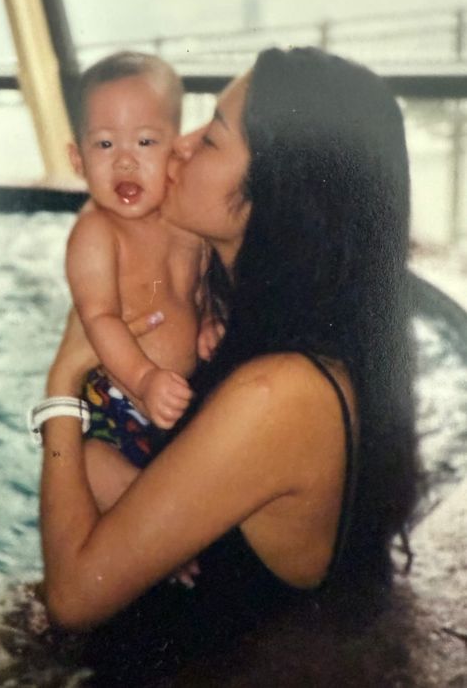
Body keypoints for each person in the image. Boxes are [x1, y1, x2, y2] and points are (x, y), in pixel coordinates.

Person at [37, 47, 418, 683]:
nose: (180, 145)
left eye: (211, 137)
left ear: (277, 192)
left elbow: (73, 598)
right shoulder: (280, 330)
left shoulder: (278, 392)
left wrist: (61, 386)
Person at [64, 52, 215, 493]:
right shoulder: (97, 232)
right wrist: (144, 379)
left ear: (177, 150)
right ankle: (151, 517)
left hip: (182, 398)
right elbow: (98, 317)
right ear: (78, 160)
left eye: (146, 142)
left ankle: (168, 518)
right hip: (122, 400)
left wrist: (211, 317)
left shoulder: (184, 218)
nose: (125, 162)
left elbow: (202, 282)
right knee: (94, 464)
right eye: (105, 145)